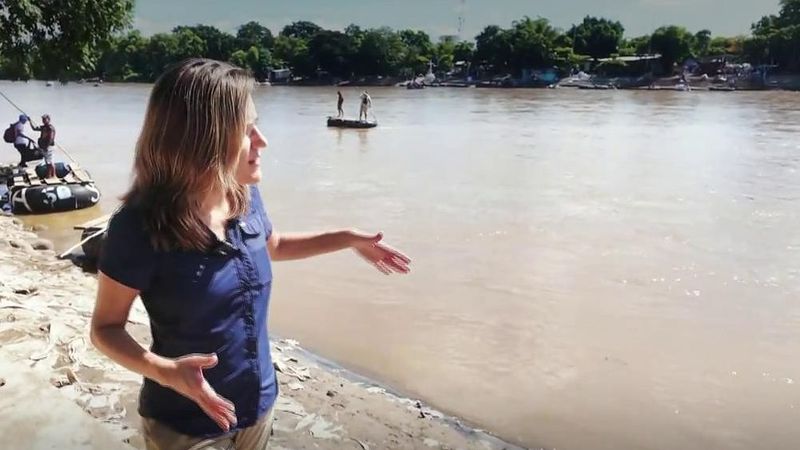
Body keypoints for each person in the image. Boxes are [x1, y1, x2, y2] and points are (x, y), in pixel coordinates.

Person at [90, 59, 411, 450]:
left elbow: (271, 246)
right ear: (200, 138)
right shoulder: (138, 227)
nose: (261, 141)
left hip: (258, 406)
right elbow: (105, 329)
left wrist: (346, 239)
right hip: (186, 425)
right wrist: (166, 372)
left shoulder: (242, 195)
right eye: (245, 130)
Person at [32, 114, 56, 178]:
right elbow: (34, 128)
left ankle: (52, 175)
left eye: (45, 119)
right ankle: (49, 175)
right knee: (47, 161)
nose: (43, 121)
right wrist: (30, 121)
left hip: (49, 147)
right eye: (43, 119)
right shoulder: (44, 127)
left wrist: (46, 147)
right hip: (44, 147)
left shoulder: (50, 128)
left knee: (49, 162)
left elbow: (51, 138)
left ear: (48, 120)